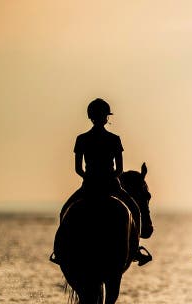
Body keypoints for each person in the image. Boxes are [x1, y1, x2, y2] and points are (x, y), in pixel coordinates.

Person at [53, 98, 151, 266]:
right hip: (111, 185)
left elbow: (78, 169)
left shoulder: (82, 139)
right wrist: (108, 177)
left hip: (89, 186)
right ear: (106, 117)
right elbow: (119, 169)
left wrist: (89, 177)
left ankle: (60, 252)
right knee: (135, 209)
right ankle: (135, 250)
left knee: (65, 211)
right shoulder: (114, 139)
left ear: (90, 117)